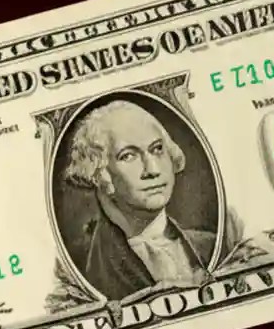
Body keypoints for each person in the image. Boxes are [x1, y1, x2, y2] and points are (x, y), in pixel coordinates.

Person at [61, 100, 217, 301]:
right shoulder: (81, 273)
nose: (153, 170)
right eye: (128, 156)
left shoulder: (210, 245)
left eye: (157, 149)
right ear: (98, 172)